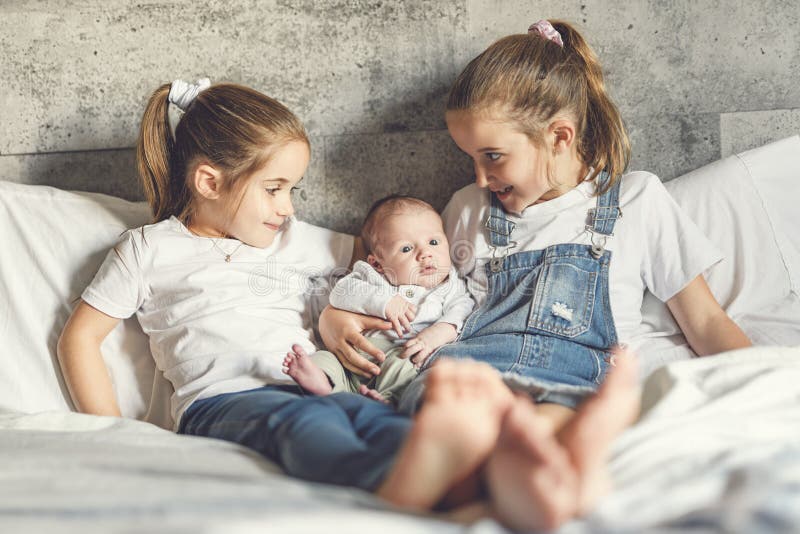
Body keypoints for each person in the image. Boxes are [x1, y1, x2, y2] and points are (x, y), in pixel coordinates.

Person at [56, 76, 636, 531]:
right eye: (275, 189)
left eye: (293, 192)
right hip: (222, 402)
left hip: (323, 383)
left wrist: (339, 315)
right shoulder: (149, 249)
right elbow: (80, 339)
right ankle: (400, 483)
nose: (287, 208)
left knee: (380, 417)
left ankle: (515, 476)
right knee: (302, 429)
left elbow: (382, 256)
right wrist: (115, 436)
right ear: (210, 182)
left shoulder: (288, 239)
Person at [319, 18, 752, 526]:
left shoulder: (636, 199)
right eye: (471, 159)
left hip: (573, 377)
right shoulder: (466, 208)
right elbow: (396, 276)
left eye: (493, 156)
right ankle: (526, 476)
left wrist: (772, 384)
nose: (480, 176)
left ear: (559, 137)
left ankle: (531, 469)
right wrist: (335, 318)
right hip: (469, 371)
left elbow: (704, 322)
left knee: (549, 418)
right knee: (457, 411)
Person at [283, 194, 474, 404]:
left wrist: (439, 332)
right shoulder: (372, 276)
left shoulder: (450, 285)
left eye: (434, 242)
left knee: (406, 368)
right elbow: (341, 292)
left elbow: (463, 309)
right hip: (352, 355)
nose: (425, 254)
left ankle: (384, 400)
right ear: (377, 263)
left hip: (402, 353)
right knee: (324, 360)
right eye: (407, 248)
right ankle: (323, 383)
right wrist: (385, 301)